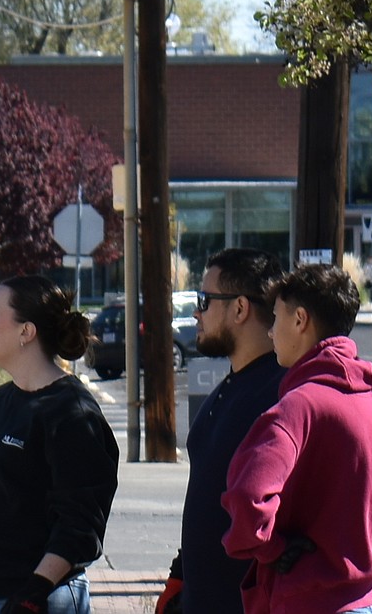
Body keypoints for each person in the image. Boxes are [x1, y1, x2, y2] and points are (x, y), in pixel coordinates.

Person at [221, 264, 372, 614]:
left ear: (300, 320)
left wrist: (274, 547)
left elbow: (247, 496)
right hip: (368, 601)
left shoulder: (297, 407)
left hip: (309, 600)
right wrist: (361, 526)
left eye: (276, 318)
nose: (272, 333)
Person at [0, 275, 120, 614]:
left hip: (36, 600)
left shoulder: (73, 413)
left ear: (26, 332)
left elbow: (80, 525)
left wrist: (32, 595)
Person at [154, 248, 287, 614]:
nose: (196, 312)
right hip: (200, 599)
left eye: (205, 300)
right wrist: (179, 577)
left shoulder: (282, 395)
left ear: (240, 308)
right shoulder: (229, 386)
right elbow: (208, 494)